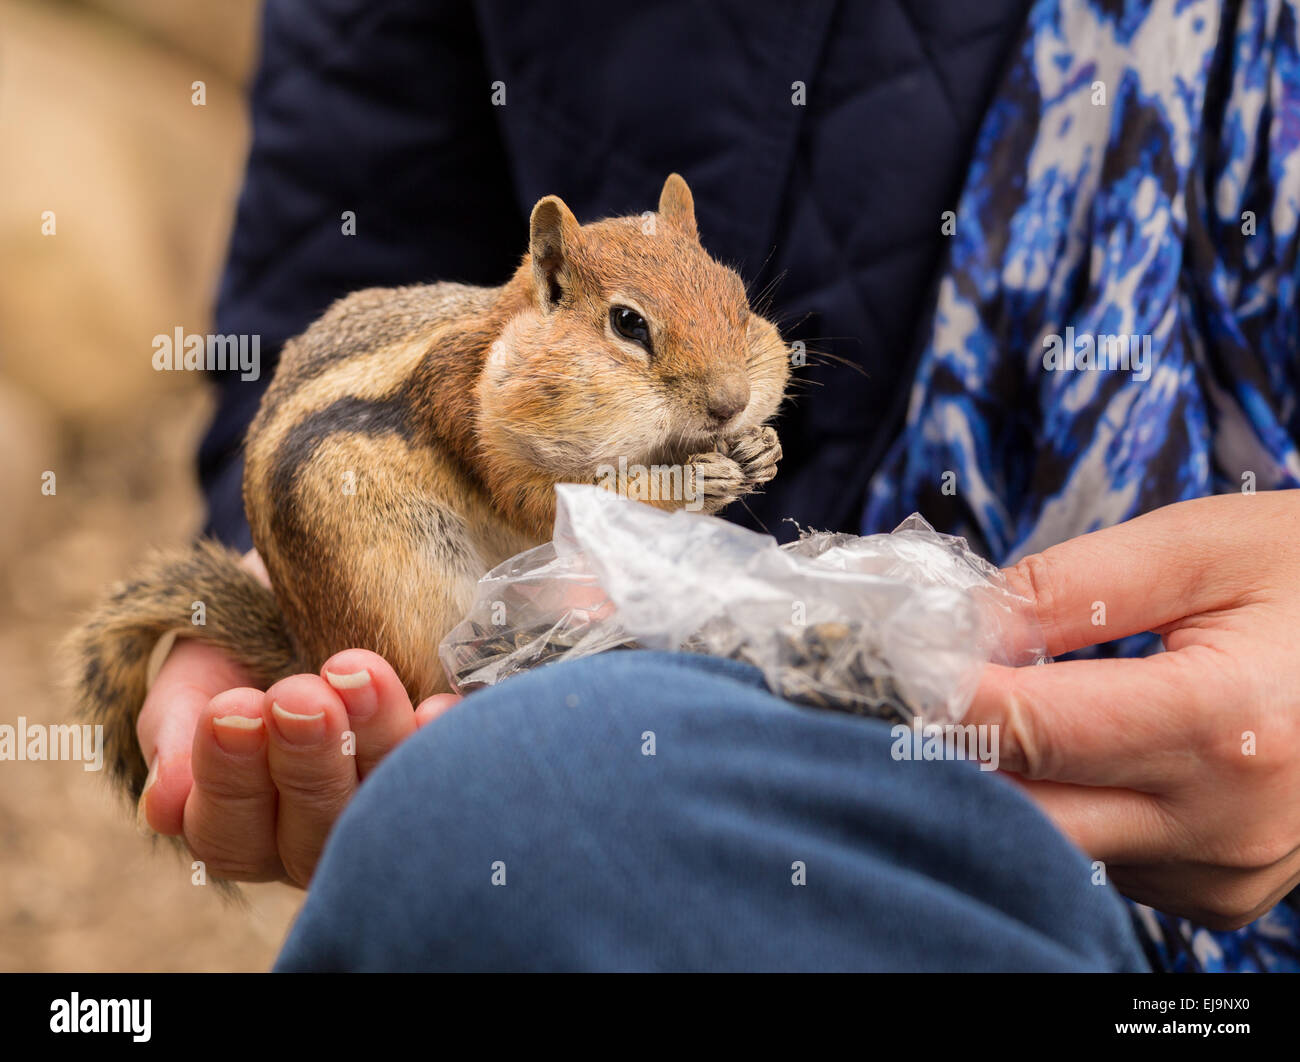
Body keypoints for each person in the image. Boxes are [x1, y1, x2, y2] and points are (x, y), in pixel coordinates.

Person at [136, 0, 1300, 970]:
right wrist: (272, 568)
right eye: (640, 336)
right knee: (483, 816)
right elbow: (357, 212)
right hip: (601, 660)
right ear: (547, 287)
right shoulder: (511, 392)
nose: (730, 389)